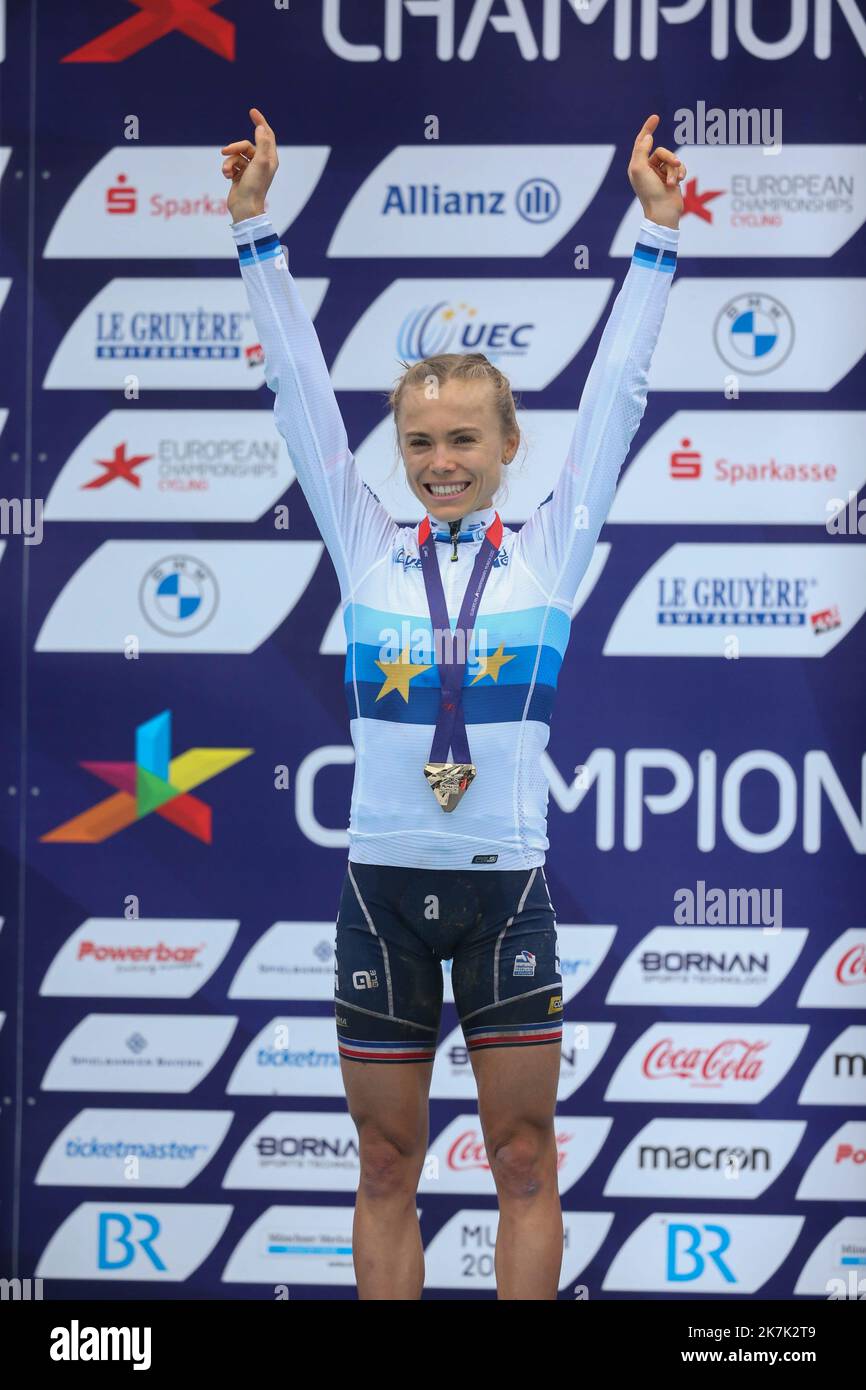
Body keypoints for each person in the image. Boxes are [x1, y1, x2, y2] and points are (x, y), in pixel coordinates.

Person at [222, 109, 684, 1300]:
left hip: (503, 888)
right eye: (420, 441)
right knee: (385, 1161)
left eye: (463, 439)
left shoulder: (547, 554)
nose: (439, 460)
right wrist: (252, 226)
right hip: (380, 888)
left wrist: (654, 234)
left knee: (523, 1160)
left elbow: (621, 397)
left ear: (507, 445)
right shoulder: (367, 544)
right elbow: (295, 398)